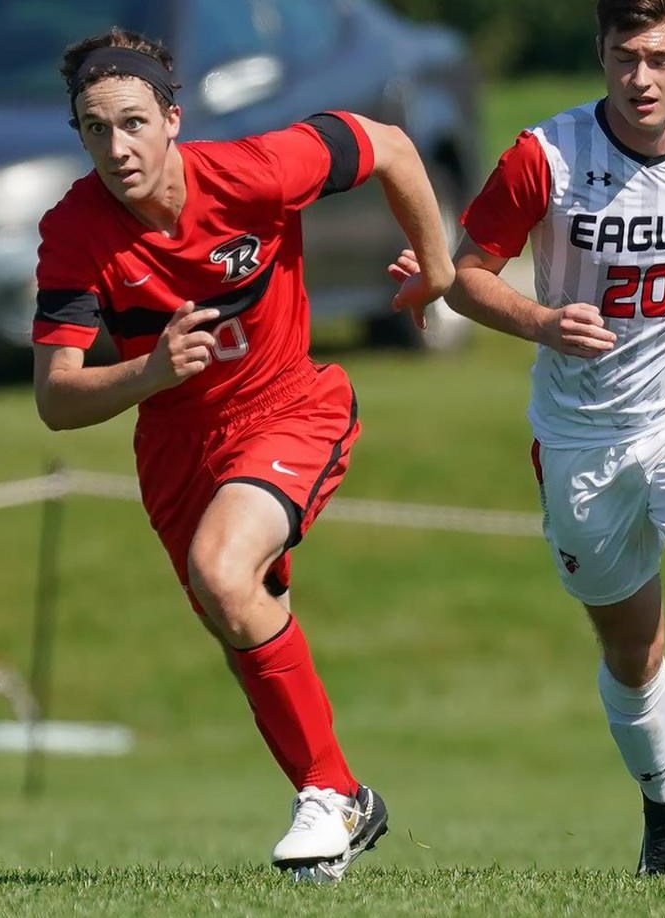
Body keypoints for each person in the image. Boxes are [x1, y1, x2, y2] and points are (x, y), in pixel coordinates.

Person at [31, 27, 454, 882]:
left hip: (287, 406)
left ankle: (326, 798)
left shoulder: (258, 170)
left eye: (133, 123)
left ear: (173, 118)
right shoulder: (73, 232)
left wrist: (438, 271)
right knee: (235, 613)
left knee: (223, 573)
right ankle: (339, 796)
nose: (117, 147)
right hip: (177, 451)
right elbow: (56, 397)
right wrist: (147, 373)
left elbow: (393, 147)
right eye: (94, 130)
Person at [389, 0, 665, 877]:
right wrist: (542, 321)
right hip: (581, 436)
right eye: (622, 57)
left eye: (658, 58)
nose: (639, 78)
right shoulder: (547, 156)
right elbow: (465, 275)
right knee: (632, 649)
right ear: (601, 54)